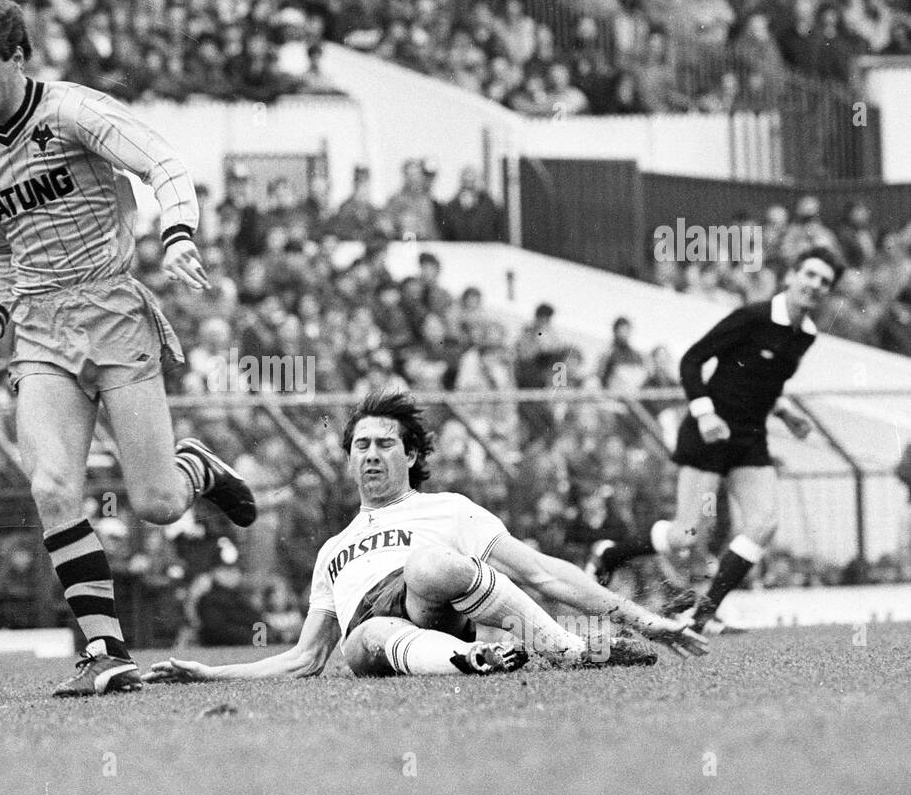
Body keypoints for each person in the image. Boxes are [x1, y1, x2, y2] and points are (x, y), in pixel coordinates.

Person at [0, 0, 256, 696]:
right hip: (41, 327)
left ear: (18, 57)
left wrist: (177, 234)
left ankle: (194, 470)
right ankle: (106, 651)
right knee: (51, 486)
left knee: (157, 505)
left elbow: (166, 164)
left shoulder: (76, 112)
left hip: (113, 308)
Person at [144, 391, 705, 684]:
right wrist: (210, 672)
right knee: (359, 641)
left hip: (433, 596)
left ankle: (566, 650)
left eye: (383, 444)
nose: (370, 455)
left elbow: (540, 571)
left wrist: (641, 618)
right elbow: (303, 660)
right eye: (360, 446)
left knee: (430, 563)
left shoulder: (448, 510)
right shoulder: (332, 551)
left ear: (410, 455)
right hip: (376, 635)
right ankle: (476, 658)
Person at [586, 248, 843, 633]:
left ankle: (703, 611)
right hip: (710, 434)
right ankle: (608, 554)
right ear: (791, 275)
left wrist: (784, 411)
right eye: (810, 274)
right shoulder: (752, 316)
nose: (815, 285)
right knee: (686, 536)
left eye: (825, 282)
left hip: (749, 438)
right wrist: (705, 413)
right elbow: (692, 360)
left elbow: (764, 381)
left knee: (764, 522)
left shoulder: (805, 335)